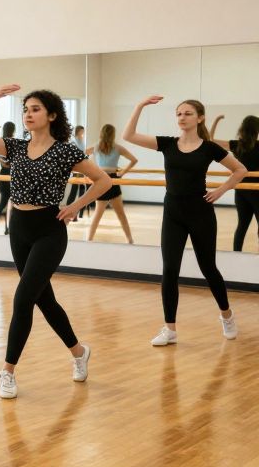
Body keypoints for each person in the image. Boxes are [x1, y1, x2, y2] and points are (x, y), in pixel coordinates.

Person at [0, 85, 111, 399]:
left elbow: (104, 180)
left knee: (22, 298)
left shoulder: (65, 150)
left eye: (35, 109)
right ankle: (79, 352)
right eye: (25, 110)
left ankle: (7, 371)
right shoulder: (16, 147)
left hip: (49, 230)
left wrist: (75, 206)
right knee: (44, 300)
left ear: (52, 115)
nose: (28, 114)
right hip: (19, 228)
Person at [124, 98, 246, 346]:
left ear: (199, 118)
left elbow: (240, 170)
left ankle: (227, 315)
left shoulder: (209, 148)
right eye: (178, 113)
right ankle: (170, 329)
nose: (181, 117)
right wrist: (140, 106)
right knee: (170, 269)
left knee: (208, 268)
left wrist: (221, 191)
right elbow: (129, 135)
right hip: (173, 213)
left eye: (187, 113)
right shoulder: (167, 144)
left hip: (200, 213)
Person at [210, 114, 259, 252]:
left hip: (241, 190)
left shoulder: (237, 145)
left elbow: (210, 140)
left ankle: (236, 254)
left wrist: (216, 120)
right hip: (256, 191)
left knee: (242, 226)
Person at [85, 124, 138, 244]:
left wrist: (90, 171)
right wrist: (122, 172)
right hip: (112, 180)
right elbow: (134, 160)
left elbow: (81, 155)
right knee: (121, 215)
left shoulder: (96, 147)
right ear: (113, 135)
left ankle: (89, 240)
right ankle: (130, 240)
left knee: (97, 215)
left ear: (101, 134)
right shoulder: (118, 148)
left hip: (101, 179)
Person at [64, 125, 89, 220]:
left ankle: (79, 213)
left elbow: (83, 154)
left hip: (83, 169)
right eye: (82, 131)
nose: (83, 133)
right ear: (78, 132)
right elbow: (75, 155)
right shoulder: (73, 142)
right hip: (76, 170)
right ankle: (69, 212)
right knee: (74, 192)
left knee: (82, 192)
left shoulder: (82, 141)